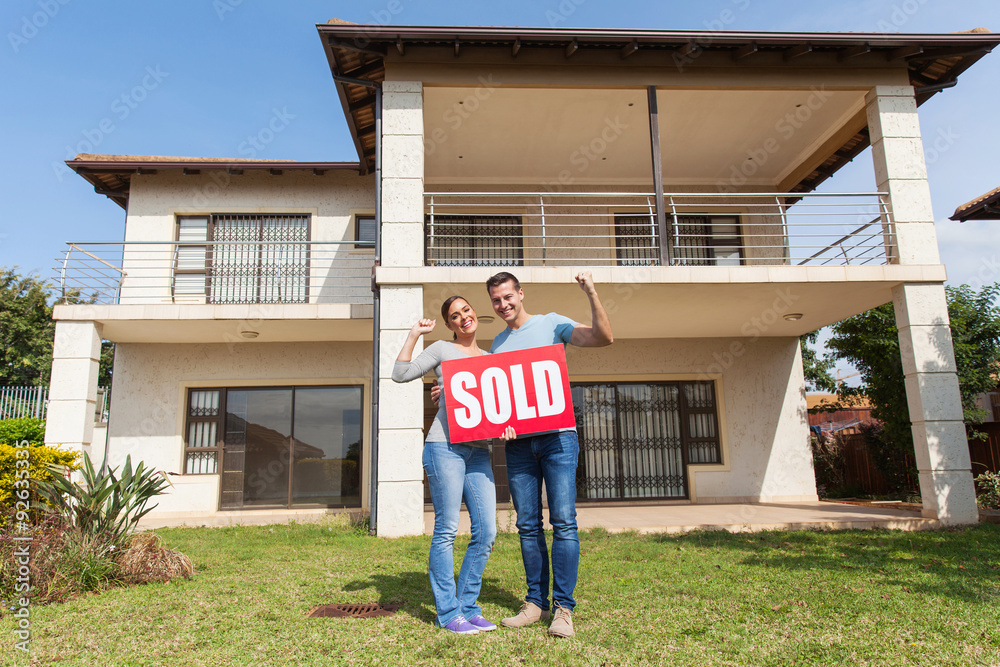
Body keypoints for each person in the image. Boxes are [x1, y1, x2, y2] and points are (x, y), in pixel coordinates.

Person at [488, 270, 615, 637]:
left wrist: (591, 293)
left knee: (563, 521)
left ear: (520, 293)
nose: (503, 304)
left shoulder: (551, 323)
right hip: (519, 445)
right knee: (527, 525)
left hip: (558, 438)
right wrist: (502, 424)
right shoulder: (497, 345)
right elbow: (498, 401)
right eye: (496, 300)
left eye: (508, 296)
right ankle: (535, 603)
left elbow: (603, 338)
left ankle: (563, 609)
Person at [392, 295, 514, 635]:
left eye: (466, 310)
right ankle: (447, 613)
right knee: (446, 529)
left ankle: (468, 607)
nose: (463, 317)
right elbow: (400, 374)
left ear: (474, 313)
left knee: (487, 531)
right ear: (449, 324)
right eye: (455, 316)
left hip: (479, 452)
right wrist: (415, 334)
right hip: (443, 447)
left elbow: (498, 406)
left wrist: (507, 425)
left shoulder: (490, 359)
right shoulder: (442, 349)